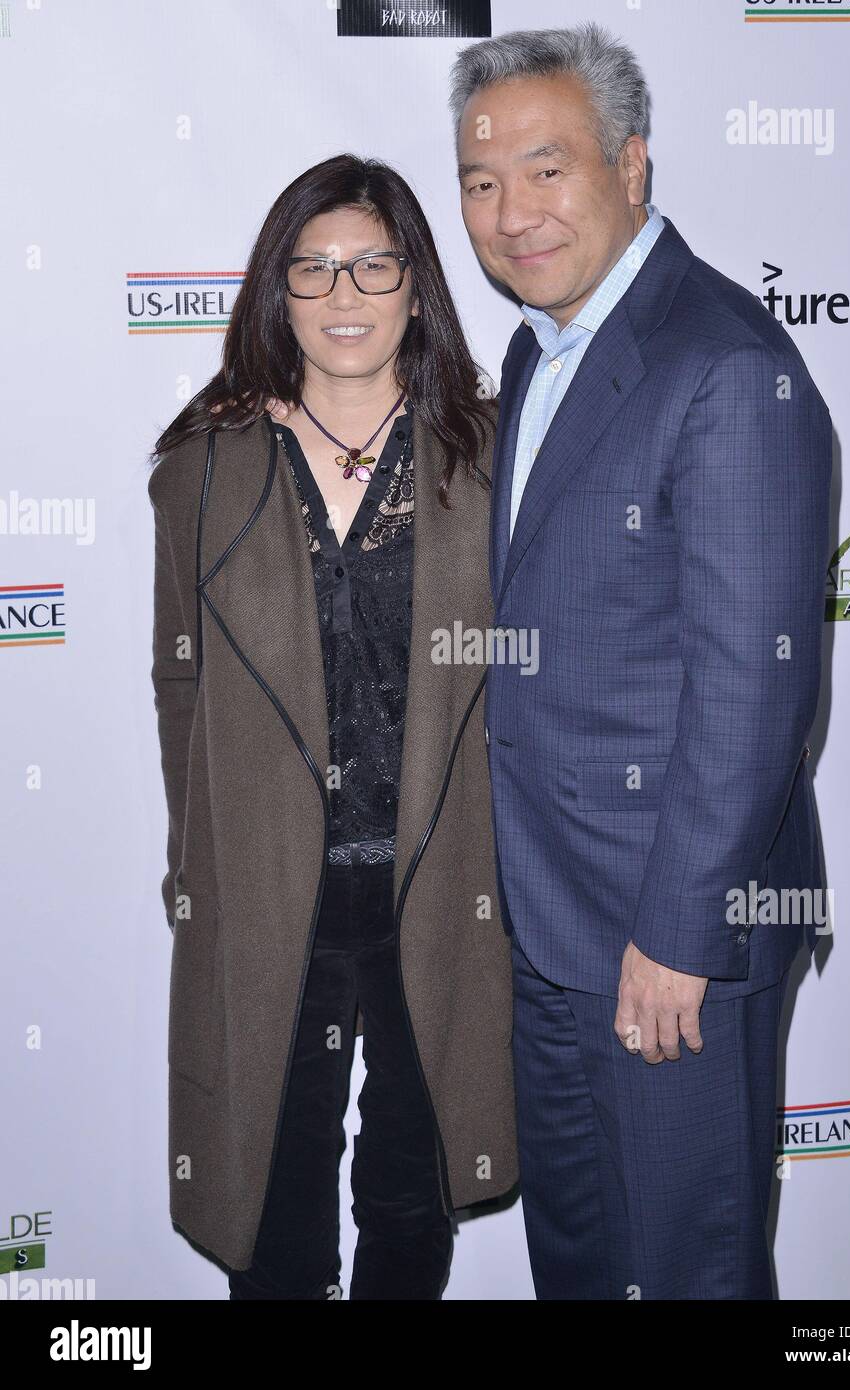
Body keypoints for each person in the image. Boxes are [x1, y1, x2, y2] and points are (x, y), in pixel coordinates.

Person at [449, 22, 831, 1299]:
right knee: (582, 1264)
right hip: (554, 928)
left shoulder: (722, 366)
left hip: (671, 946)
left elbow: (754, 690)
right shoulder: (537, 345)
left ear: (633, 166)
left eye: (547, 170)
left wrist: (675, 936)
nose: (512, 213)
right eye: (482, 180)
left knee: (682, 1273)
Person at [147, 154, 516, 1299]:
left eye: (371, 264)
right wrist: (193, 865)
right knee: (276, 1207)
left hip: (443, 888)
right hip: (275, 897)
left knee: (411, 1200)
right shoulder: (203, 471)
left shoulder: (497, 455)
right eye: (311, 269)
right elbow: (181, 690)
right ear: (276, 291)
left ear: (416, 284)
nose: (343, 293)